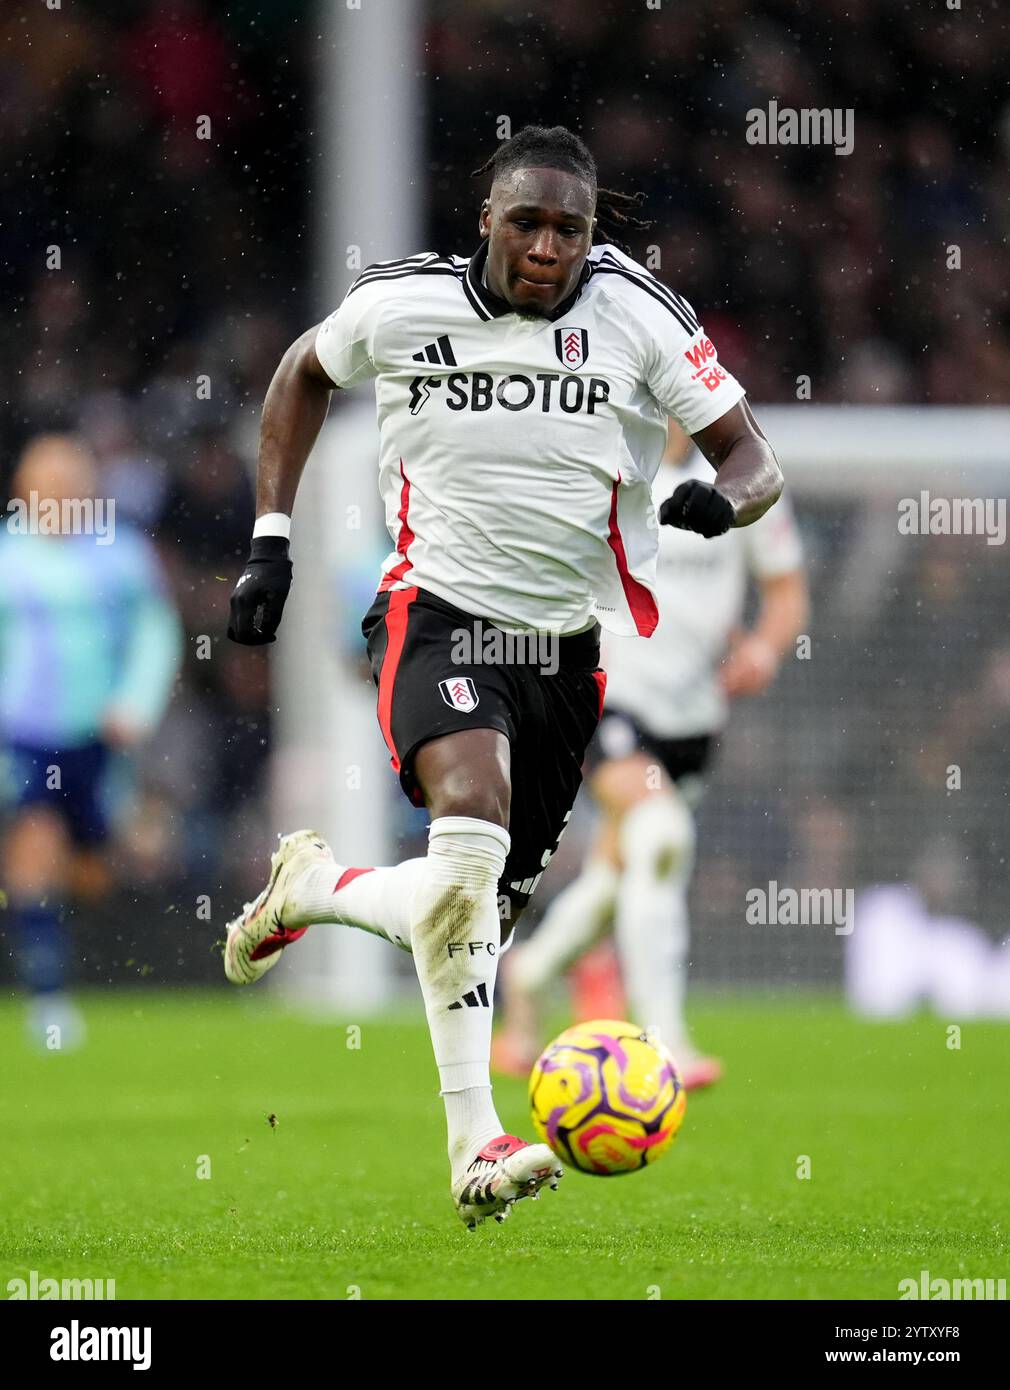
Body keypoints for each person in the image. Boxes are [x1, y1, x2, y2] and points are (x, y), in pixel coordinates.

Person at [224, 125, 783, 1228]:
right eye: (524, 222)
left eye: (567, 229)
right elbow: (299, 373)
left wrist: (726, 502)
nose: (544, 248)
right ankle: (476, 1143)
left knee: (470, 919)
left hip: (563, 655)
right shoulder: (401, 304)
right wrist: (269, 538)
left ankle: (317, 890)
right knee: (465, 838)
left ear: (590, 233)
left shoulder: (638, 313)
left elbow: (753, 459)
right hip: (434, 613)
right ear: (485, 218)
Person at [492, 418, 808, 1089]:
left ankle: (531, 972)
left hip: (695, 716)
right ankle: (665, 1041)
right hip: (611, 701)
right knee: (661, 837)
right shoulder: (602, 474)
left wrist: (763, 648)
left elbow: (786, 591)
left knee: (621, 878)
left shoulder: (739, 485)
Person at [0, 434, 182, 1047]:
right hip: (21, 733)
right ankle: (49, 996)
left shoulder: (120, 556)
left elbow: (156, 632)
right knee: (35, 840)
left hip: (98, 737)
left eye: (68, 484)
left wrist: (135, 702)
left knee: (91, 871)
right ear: (24, 492)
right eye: (45, 485)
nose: (56, 497)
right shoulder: (8, 557)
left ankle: (88, 959)